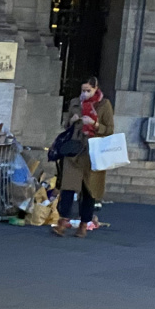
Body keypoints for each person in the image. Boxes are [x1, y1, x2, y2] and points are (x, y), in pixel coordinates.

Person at [52, 78, 113, 238]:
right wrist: (71, 122)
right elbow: (65, 126)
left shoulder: (104, 105)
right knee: (67, 187)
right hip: (74, 150)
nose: (84, 94)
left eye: (88, 90)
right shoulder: (74, 102)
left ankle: (84, 224)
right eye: (83, 90)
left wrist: (95, 124)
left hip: (92, 152)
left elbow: (110, 129)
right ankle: (62, 221)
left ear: (95, 89)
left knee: (89, 190)